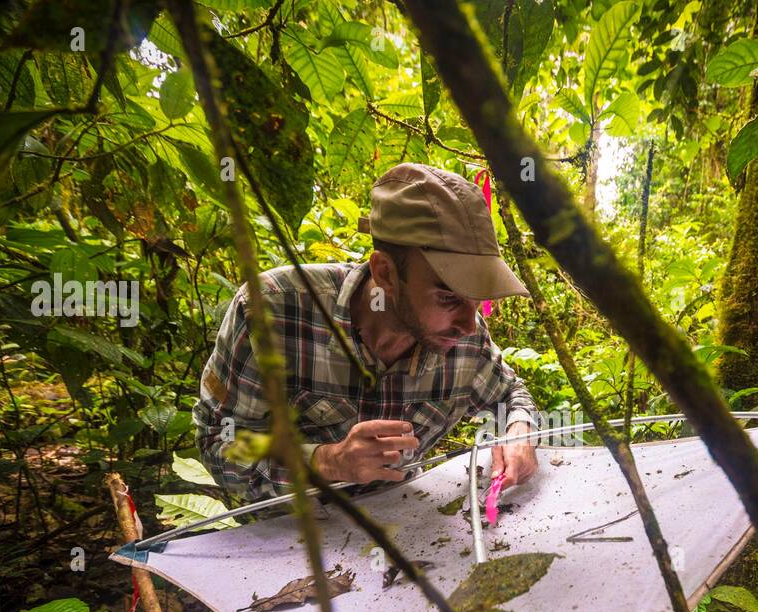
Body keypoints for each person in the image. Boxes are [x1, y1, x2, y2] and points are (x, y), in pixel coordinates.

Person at [193, 162, 541, 499]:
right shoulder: (274, 311)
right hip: (288, 535)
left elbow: (509, 396)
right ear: (386, 273)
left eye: (476, 300)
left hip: (405, 521)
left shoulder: (463, 335)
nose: (469, 324)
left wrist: (518, 431)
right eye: (448, 297)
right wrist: (327, 461)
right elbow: (220, 444)